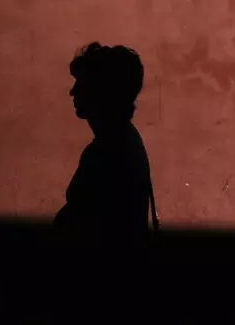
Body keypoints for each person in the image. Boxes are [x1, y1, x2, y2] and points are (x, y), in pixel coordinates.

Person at [55, 42, 158, 233]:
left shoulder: (109, 151)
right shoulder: (123, 143)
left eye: (82, 83)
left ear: (101, 90)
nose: (73, 91)